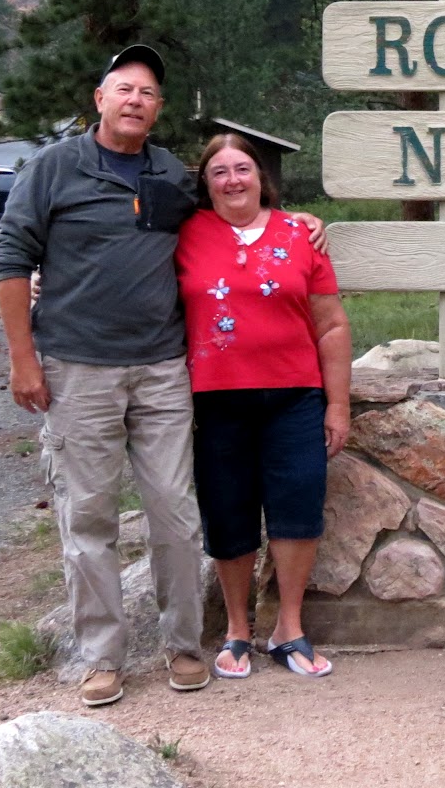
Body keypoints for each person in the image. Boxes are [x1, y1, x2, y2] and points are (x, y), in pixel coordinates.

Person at [0, 46, 209, 707]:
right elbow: (11, 258)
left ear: (158, 108)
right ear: (100, 99)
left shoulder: (172, 172)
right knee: (88, 518)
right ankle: (101, 658)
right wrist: (22, 358)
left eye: (147, 92)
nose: (136, 99)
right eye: (124, 88)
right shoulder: (54, 168)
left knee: (174, 513)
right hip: (77, 368)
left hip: (161, 368)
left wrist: (301, 224)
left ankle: (183, 645)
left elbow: (227, 227)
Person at [176, 133, 351, 680]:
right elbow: (121, 266)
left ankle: (288, 629)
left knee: (297, 507)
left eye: (242, 168)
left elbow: (331, 324)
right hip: (216, 399)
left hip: (295, 397)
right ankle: (236, 631)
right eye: (220, 171)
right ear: (205, 184)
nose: (233, 179)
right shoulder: (183, 234)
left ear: (261, 176)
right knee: (228, 515)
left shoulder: (301, 233)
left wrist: (337, 404)